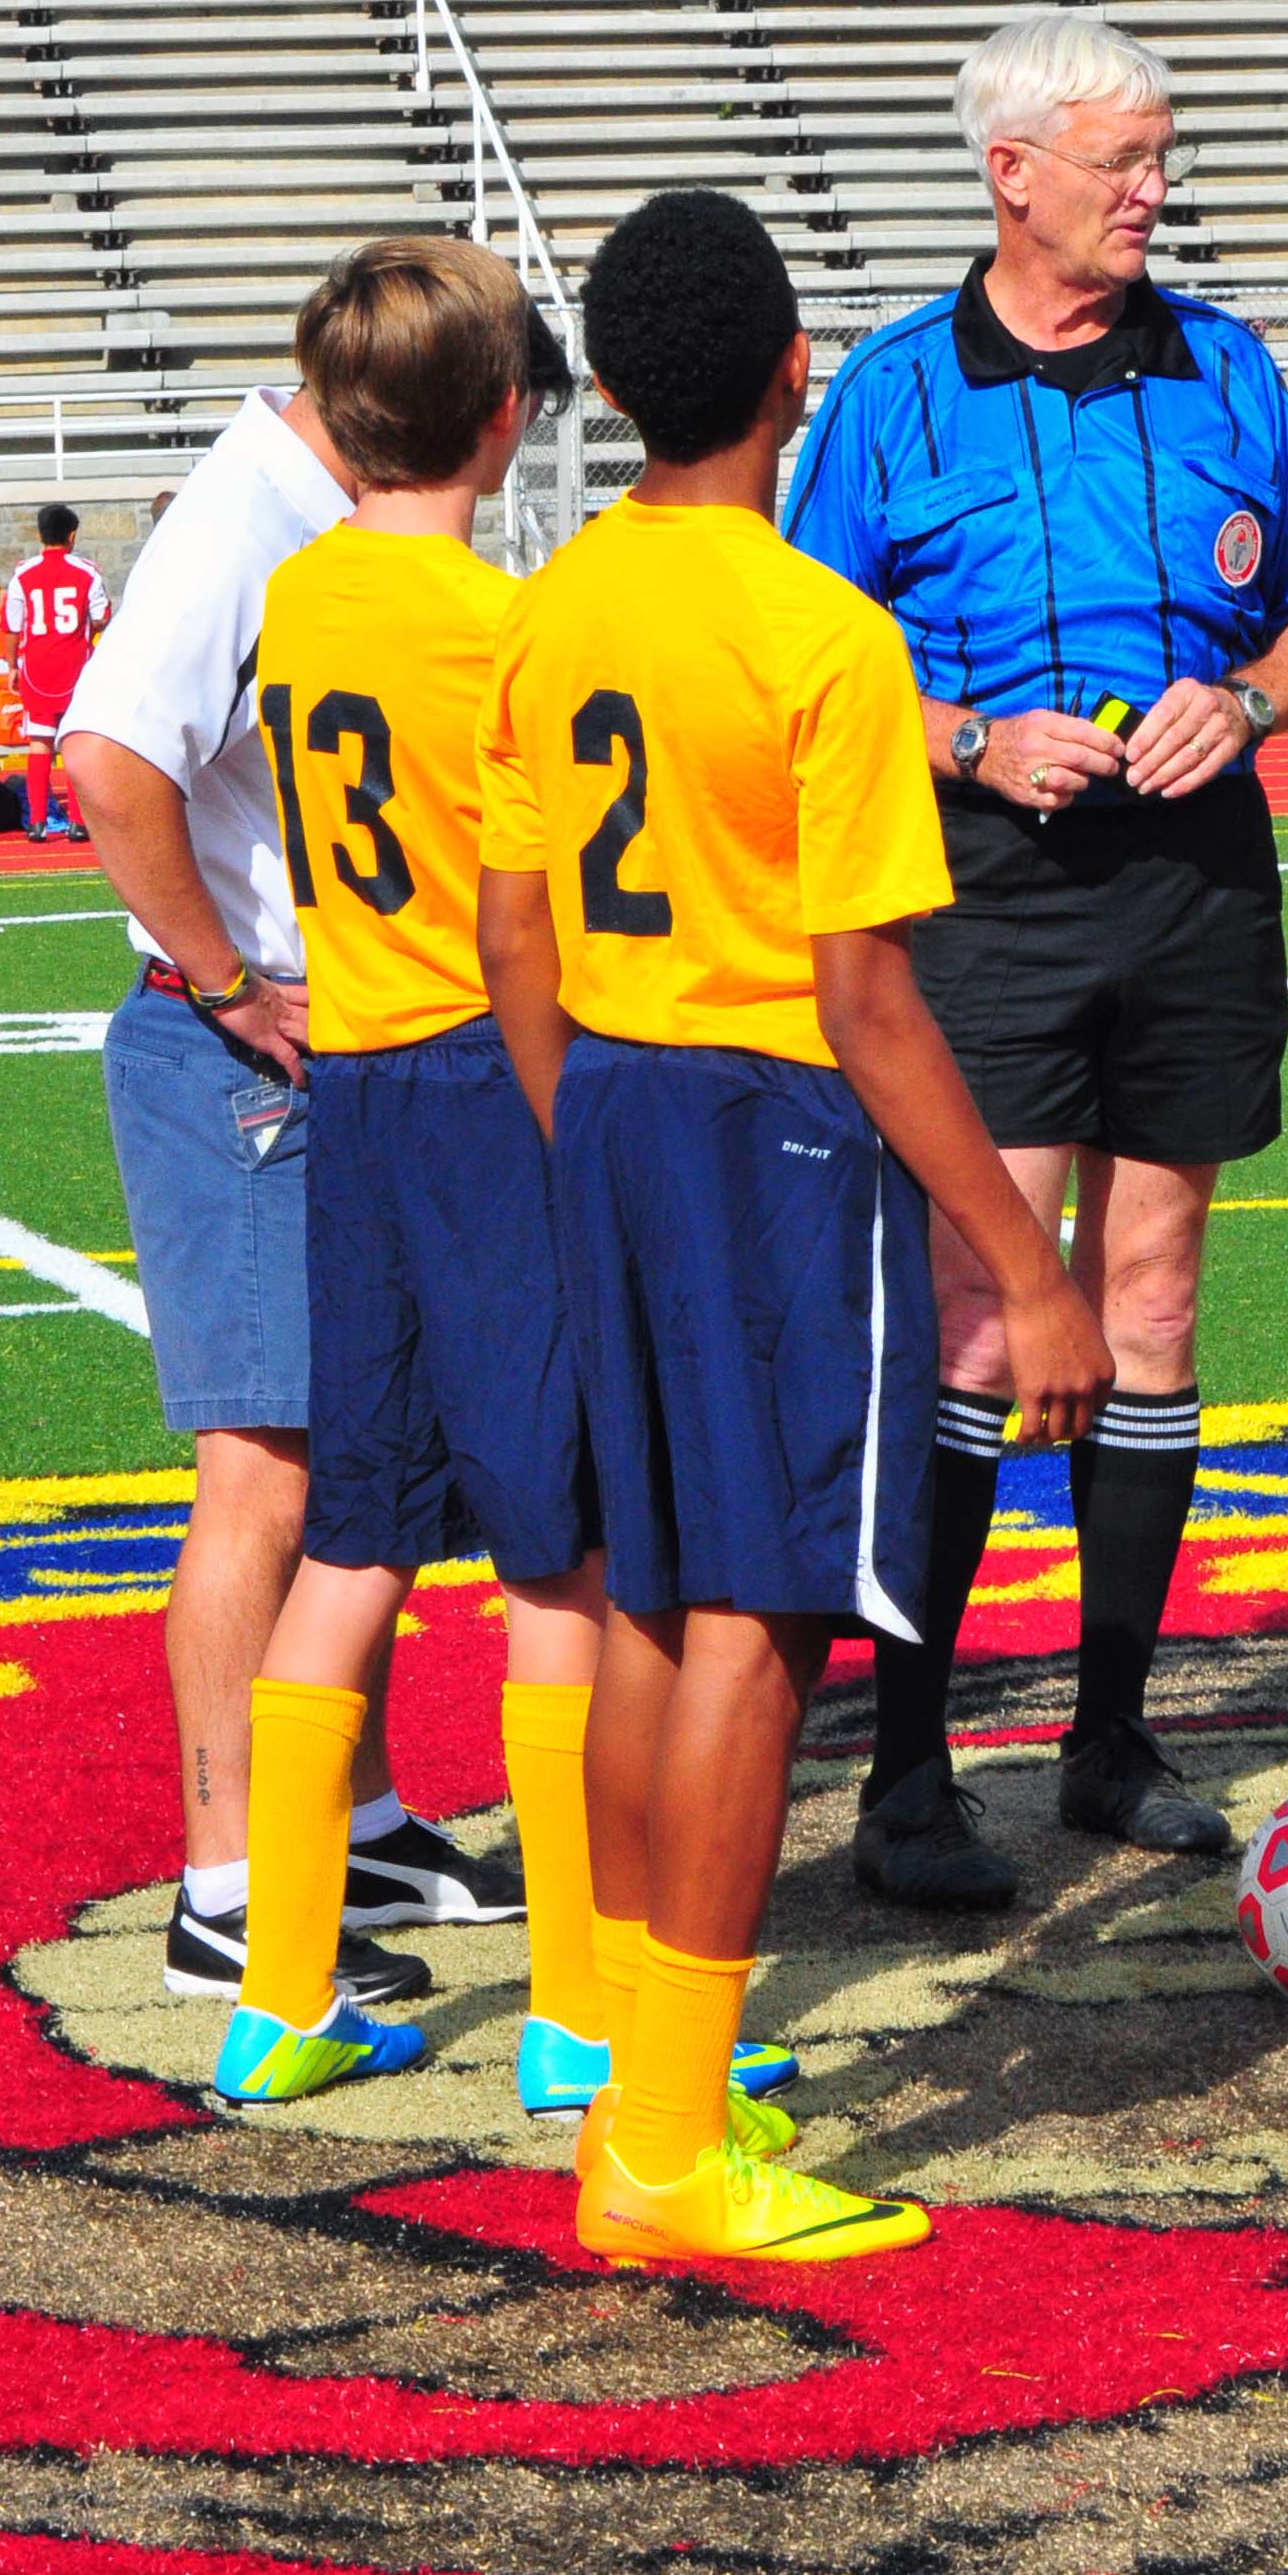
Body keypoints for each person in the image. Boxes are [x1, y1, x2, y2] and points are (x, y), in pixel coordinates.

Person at [475, 185, 1112, 2271]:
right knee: (755, 1620)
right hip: (770, 1126)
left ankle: (634, 2087)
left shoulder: (556, 597)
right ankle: (666, 2143)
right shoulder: (823, 633)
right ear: (793, 372)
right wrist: (1029, 1268)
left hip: (609, 1095)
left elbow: (514, 930)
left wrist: (585, 1129)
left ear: (606, 388)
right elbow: (866, 999)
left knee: (655, 1610)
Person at [782, 12, 1288, 1908]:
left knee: (1155, 1303)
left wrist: (1250, 700)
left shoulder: (1228, 363)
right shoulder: (891, 394)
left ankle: (1111, 1738)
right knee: (980, 1317)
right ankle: (907, 1769)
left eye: (1161, 156)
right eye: (1121, 161)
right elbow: (816, 661)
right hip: (983, 889)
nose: (1152, 191)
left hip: (1195, 877)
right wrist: (966, 739)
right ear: (1009, 173)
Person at [216, 239, 694, 2116]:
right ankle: (578, 2008)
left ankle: (280, 1992)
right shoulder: (507, 625)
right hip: (490, 1080)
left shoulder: (300, 595)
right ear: (505, 418)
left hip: (354, 1086)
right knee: (560, 1551)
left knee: (355, 1539)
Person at [62, 334, 511, 2002]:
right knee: (266, 1466)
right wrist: (228, 984)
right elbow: (108, 760)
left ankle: (355, 1815)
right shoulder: (248, 518)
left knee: (362, 1458)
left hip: (339, 1042)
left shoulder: (302, 509)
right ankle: (230, 1881)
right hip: (249, 1054)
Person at [0, 507, 110, 840]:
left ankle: (37, 822)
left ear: (40, 534)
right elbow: (102, 616)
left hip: (37, 670)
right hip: (76, 670)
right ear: (71, 535)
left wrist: (11, 666)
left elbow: (11, 626)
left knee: (39, 743)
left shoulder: (23, 573)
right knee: (73, 745)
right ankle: (77, 821)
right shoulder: (87, 571)